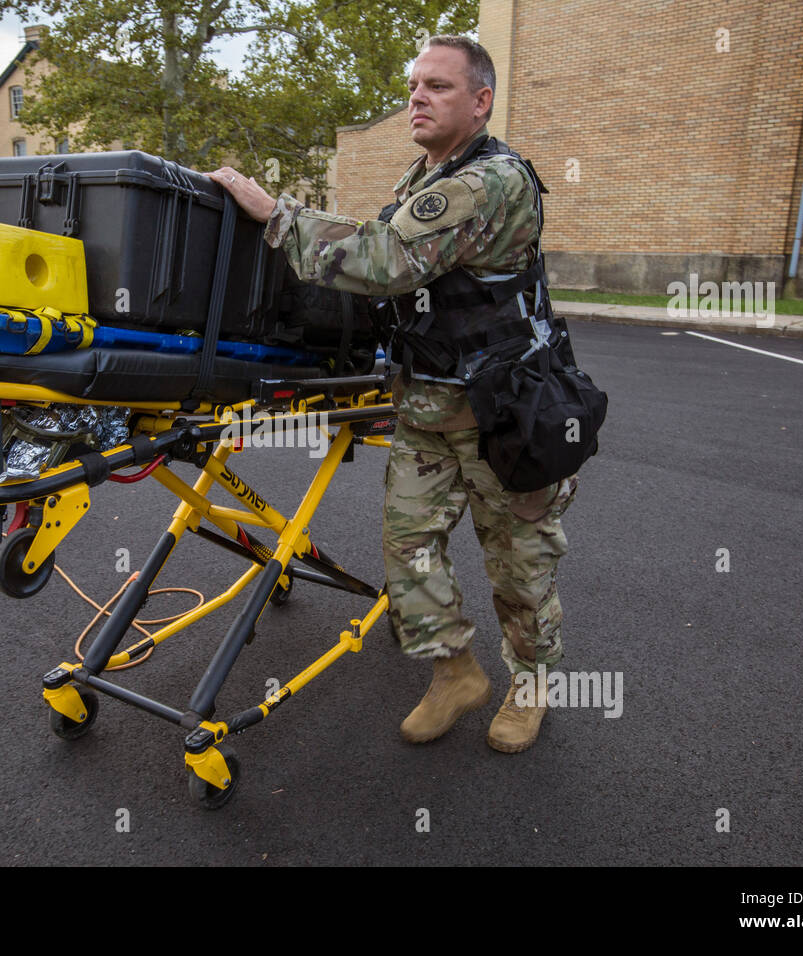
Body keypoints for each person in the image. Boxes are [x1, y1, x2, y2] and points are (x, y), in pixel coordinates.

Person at [208, 35, 576, 754]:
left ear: (481, 101)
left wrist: (275, 213)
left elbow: (383, 259)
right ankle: (454, 672)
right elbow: (382, 250)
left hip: (504, 415)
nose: (417, 98)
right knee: (409, 551)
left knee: (520, 566)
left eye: (438, 86)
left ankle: (531, 684)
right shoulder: (424, 177)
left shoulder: (490, 182)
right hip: (427, 409)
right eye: (413, 86)